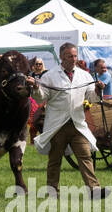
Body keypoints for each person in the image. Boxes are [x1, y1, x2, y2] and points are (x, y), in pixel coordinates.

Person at [33, 43, 107, 198]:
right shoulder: (50, 75)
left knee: (85, 156)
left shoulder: (84, 75)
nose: (73, 59)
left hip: (77, 124)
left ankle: (94, 190)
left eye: (75, 56)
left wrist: (99, 90)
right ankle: (53, 191)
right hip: (57, 125)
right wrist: (35, 87)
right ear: (61, 57)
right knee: (55, 160)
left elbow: (91, 98)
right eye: (69, 56)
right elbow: (41, 97)